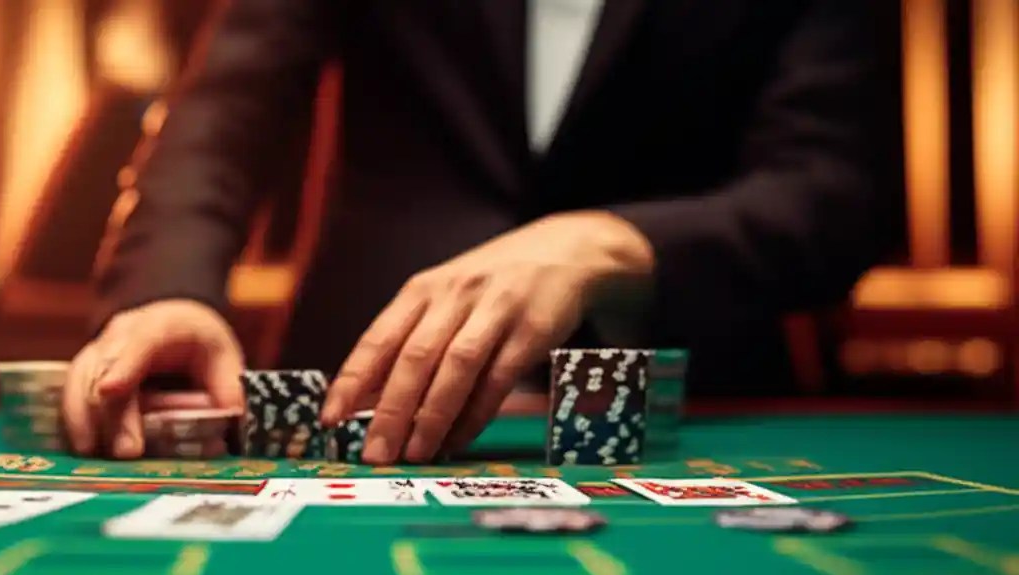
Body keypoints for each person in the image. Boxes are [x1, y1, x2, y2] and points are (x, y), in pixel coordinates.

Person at [65, 0, 895, 463]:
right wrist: (167, 289)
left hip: (696, 416)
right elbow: (225, 113)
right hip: (359, 411)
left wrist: (609, 242)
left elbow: (836, 191)